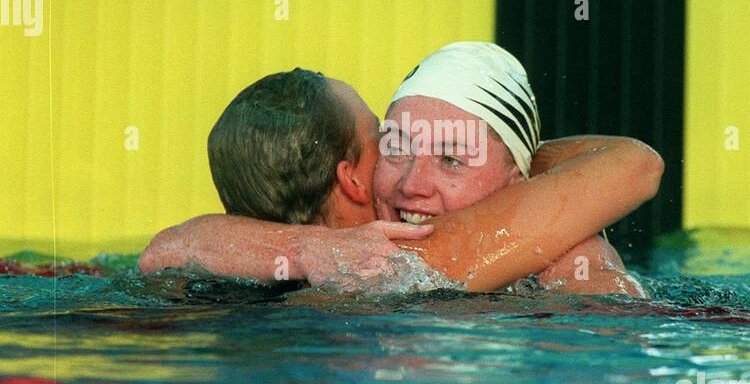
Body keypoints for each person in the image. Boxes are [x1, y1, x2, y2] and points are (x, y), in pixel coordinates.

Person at [140, 43, 664, 295]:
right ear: (351, 176)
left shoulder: (235, 258)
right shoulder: (392, 262)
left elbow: (167, 248)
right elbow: (635, 164)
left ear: (516, 185)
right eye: (393, 147)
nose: (412, 183)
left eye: (453, 158)